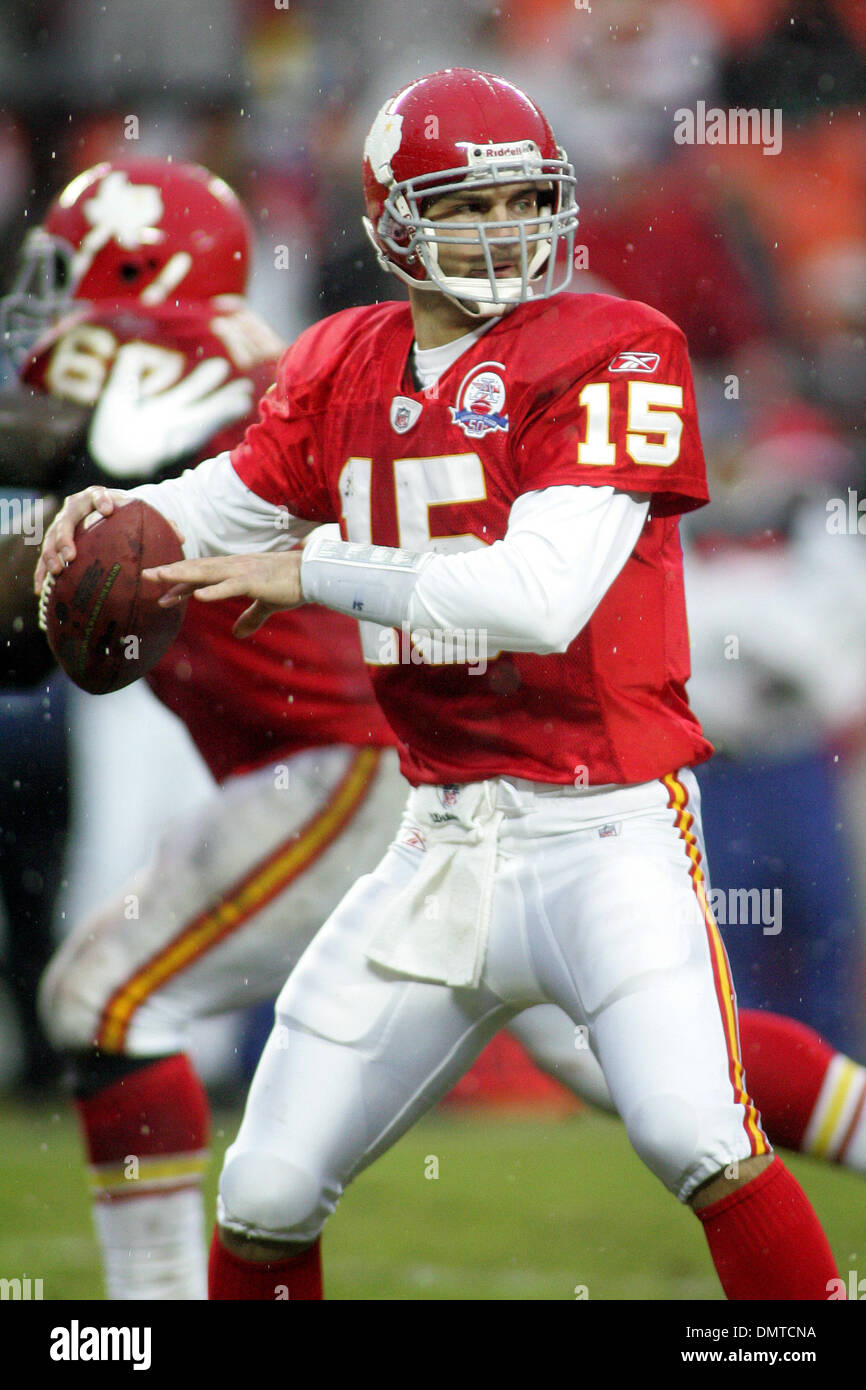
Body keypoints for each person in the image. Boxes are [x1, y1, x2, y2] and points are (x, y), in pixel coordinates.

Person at [36, 71, 847, 1301]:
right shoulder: (344, 359)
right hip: (436, 836)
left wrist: (307, 568)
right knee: (265, 1186)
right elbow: (232, 496)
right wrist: (119, 517)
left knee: (694, 1129)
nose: (508, 228)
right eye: (471, 204)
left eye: (528, 198)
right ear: (393, 219)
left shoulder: (614, 346)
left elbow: (535, 594)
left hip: (604, 828)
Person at [2, 156, 408, 1300]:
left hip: (345, 761)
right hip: (341, 760)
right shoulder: (228, 354)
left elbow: (56, 558)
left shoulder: (168, 364)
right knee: (657, 1080)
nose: (53, 296)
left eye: (75, 266)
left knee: (103, 996)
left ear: (140, 265)